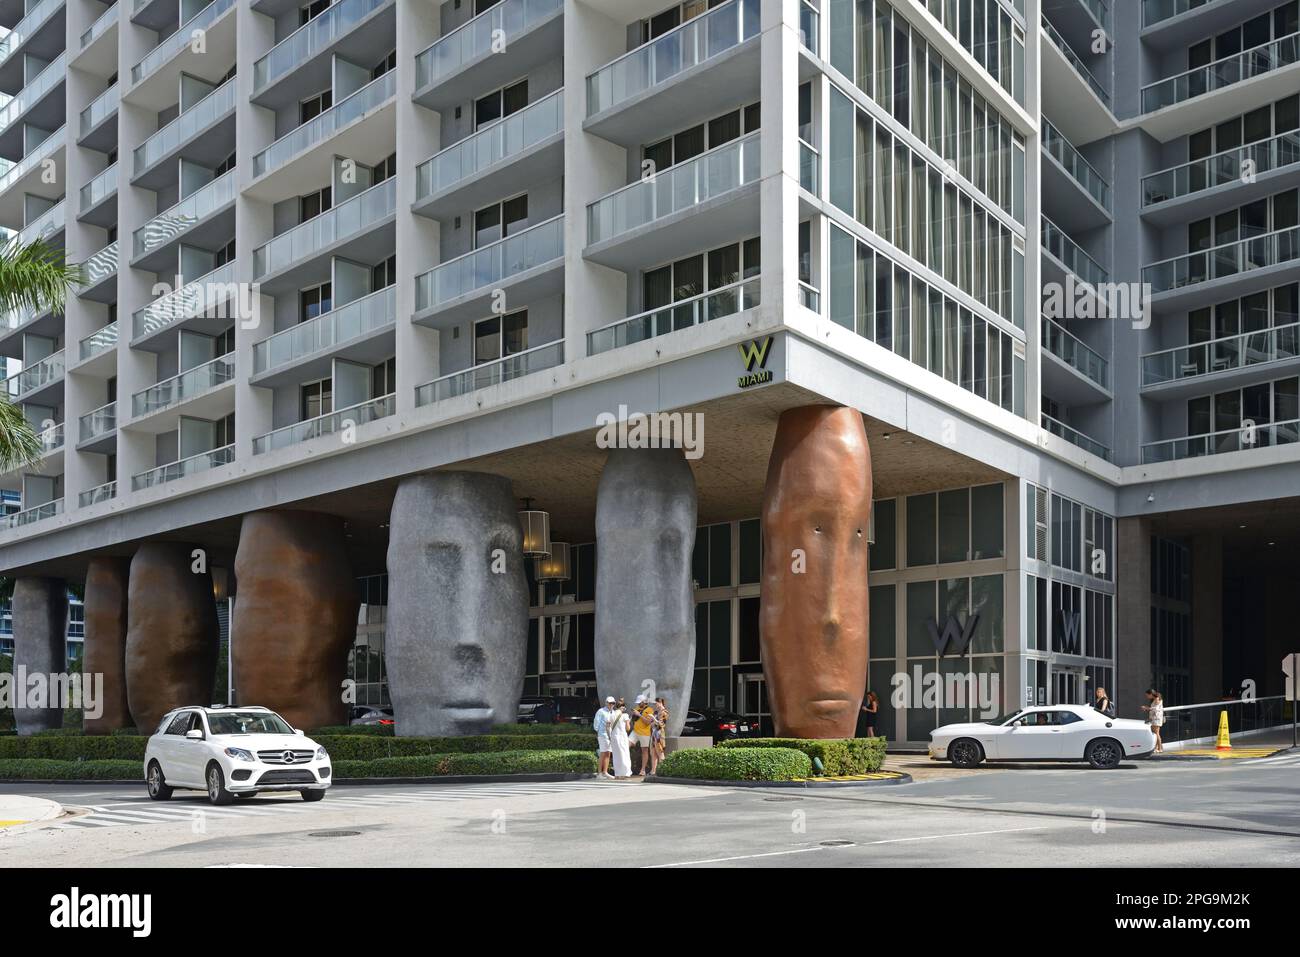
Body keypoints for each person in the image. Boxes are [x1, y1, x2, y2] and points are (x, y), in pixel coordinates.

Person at [631, 694, 657, 776]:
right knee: (625, 745)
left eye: (640, 702)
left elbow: (648, 722)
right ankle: (625, 768)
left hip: (644, 733)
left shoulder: (650, 710)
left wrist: (639, 715)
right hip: (635, 731)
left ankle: (643, 770)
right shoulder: (637, 708)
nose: (638, 704)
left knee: (644, 751)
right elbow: (633, 720)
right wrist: (634, 715)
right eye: (638, 702)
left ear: (644, 702)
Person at [593, 696, 616, 778]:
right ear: (606, 703)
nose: (611, 704)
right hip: (602, 734)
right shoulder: (601, 711)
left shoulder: (613, 712)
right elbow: (596, 723)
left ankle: (605, 772)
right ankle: (599, 773)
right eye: (610, 703)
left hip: (610, 735)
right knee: (603, 753)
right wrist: (599, 732)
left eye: (613, 703)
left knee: (608, 753)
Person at [609, 698, 633, 778]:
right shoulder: (625, 715)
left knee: (616, 755)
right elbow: (628, 728)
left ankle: (618, 773)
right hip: (622, 736)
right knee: (624, 754)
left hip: (614, 737)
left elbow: (609, 726)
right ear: (623, 707)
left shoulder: (611, 715)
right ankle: (626, 772)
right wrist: (628, 721)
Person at [1141, 689, 1165, 753]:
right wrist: (1147, 708)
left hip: (1156, 719)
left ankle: (1160, 748)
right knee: (1155, 734)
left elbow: (1156, 709)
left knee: (1156, 733)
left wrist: (1146, 708)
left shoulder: (1157, 699)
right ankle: (1157, 748)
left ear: (1151, 694)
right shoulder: (1155, 699)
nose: (1147, 697)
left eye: (1147, 695)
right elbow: (1154, 709)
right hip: (1155, 718)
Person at [652, 697, 669, 771]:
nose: (655, 705)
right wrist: (653, 721)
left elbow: (661, 724)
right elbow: (652, 723)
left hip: (659, 733)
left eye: (656, 703)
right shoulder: (656, 712)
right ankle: (653, 771)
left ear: (660, 703)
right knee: (654, 753)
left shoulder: (665, 712)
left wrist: (653, 719)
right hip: (654, 733)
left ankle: (663, 770)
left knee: (660, 752)